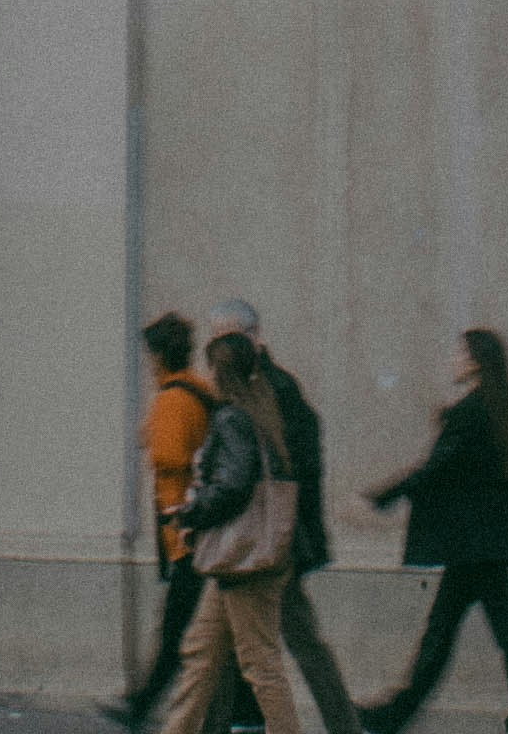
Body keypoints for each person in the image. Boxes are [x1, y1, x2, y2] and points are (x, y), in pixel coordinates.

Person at [357, 332, 508, 733]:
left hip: (472, 546)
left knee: (448, 635)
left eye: (460, 354)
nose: (454, 361)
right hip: (486, 543)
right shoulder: (492, 409)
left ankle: (395, 715)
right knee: (487, 632)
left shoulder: (470, 412)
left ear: (475, 362)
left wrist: (386, 494)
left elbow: (436, 468)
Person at [197, 304, 356, 734]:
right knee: (222, 649)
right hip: (262, 541)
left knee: (256, 650)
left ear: (248, 336)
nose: (213, 347)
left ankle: (343, 727)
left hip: (263, 545)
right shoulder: (258, 384)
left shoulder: (269, 387)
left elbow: (284, 471)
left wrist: (285, 535)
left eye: (221, 336)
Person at [158, 330, 301, 734]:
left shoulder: (233, 417)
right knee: (201, 654)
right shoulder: (261, 410)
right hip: (240, 559)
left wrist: (190, 513)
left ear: (219, 371)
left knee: (260, 664)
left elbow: (235, 484)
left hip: (241, 559)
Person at [107, 314, 215, 729]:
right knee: (189, 635)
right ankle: (148, 707)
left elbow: (169, 458)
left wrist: (156, 434)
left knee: (177, 635)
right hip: (200, 530)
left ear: (158, 354)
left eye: (150, 354)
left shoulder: (172, 399)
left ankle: (143, 709)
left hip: (183, 533)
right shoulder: (198, 390)